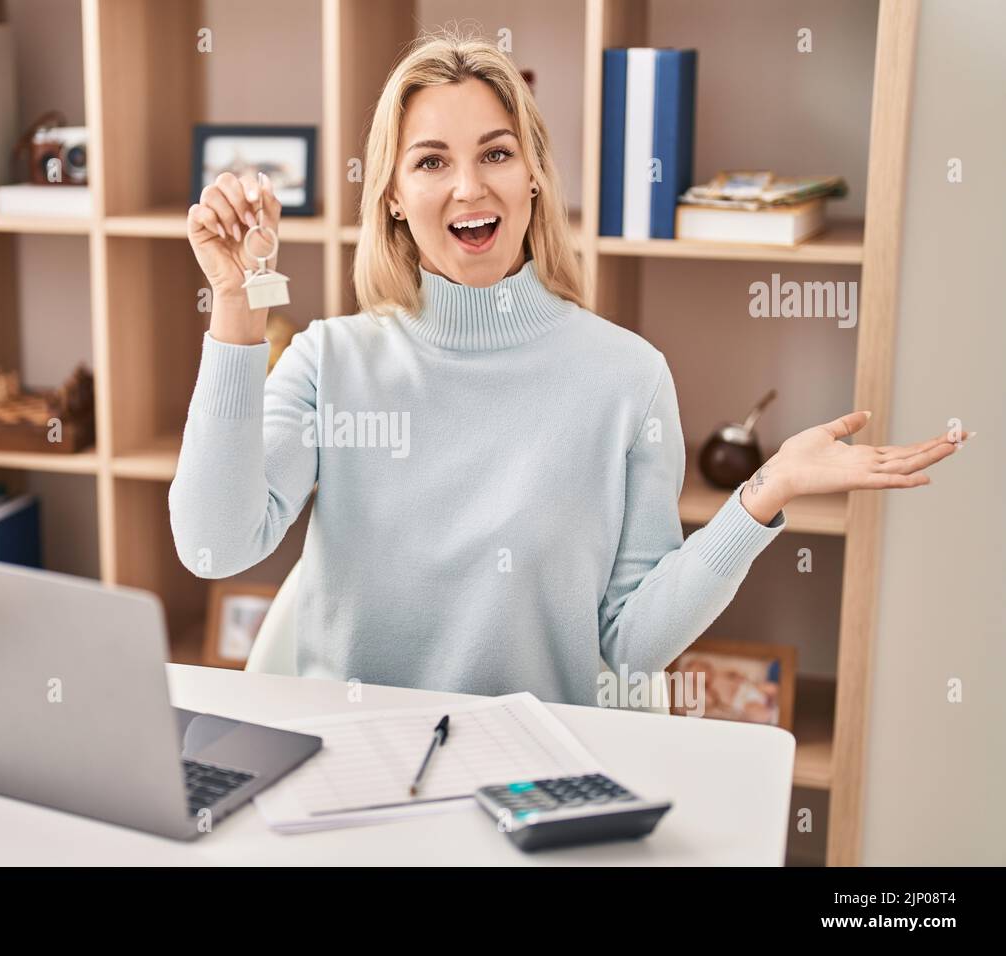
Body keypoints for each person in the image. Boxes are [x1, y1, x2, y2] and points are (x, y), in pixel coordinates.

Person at [170, 30, 970, 706]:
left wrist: (765, 496)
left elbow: (626, 648)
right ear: (390, 197)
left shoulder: (628, 379)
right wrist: (235, 305)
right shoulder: (328, 361)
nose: (470, 187)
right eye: (431, 162)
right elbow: (213, 545)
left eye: (496, 154)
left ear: (534, 175)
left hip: (530, 786)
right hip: (349, 777)